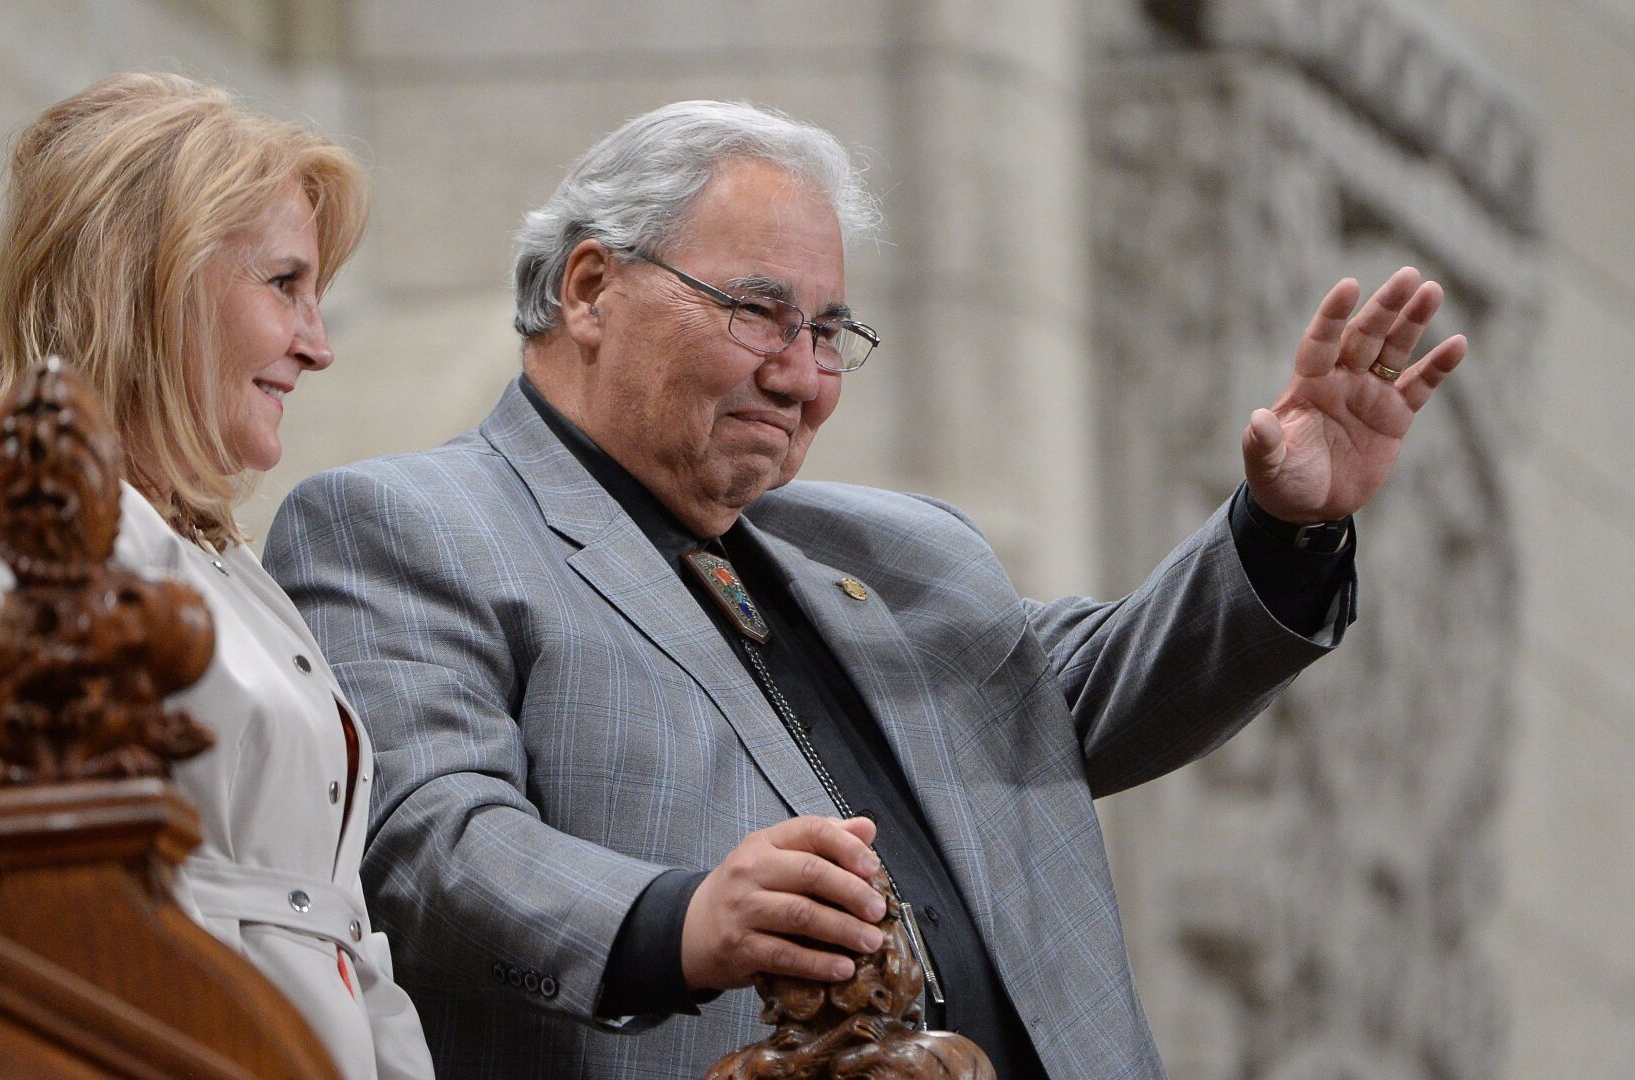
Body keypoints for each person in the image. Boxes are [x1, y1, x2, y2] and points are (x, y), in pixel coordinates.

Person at [263, 100, 1465, 1079]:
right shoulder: (409, 524)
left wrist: (1283, 529)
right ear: (588, 289)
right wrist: (681, 922)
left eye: (830, 330)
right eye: (759, 313)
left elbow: (1100, 690)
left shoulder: (897, 549)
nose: (802, 376)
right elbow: (426, 848)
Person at [0, 73, 434, 1080]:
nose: (320, 344)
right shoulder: (2, 500)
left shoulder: (219, 559)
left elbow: (328, 930)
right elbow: (62, 889)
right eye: (284, 284)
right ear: (153, 280)